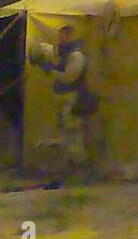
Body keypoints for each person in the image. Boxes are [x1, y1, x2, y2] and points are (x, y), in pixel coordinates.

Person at [31, 25, 98, 179]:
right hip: (65, 98)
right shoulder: (65, 55)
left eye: (62, 35)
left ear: (69, 35)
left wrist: (52, 71)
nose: (59, 38)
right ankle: (73, 167)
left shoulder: (76, 55)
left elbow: (69, 77)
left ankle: (82, 167)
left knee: (73, 133)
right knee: (66, 134)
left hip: (73, 98)